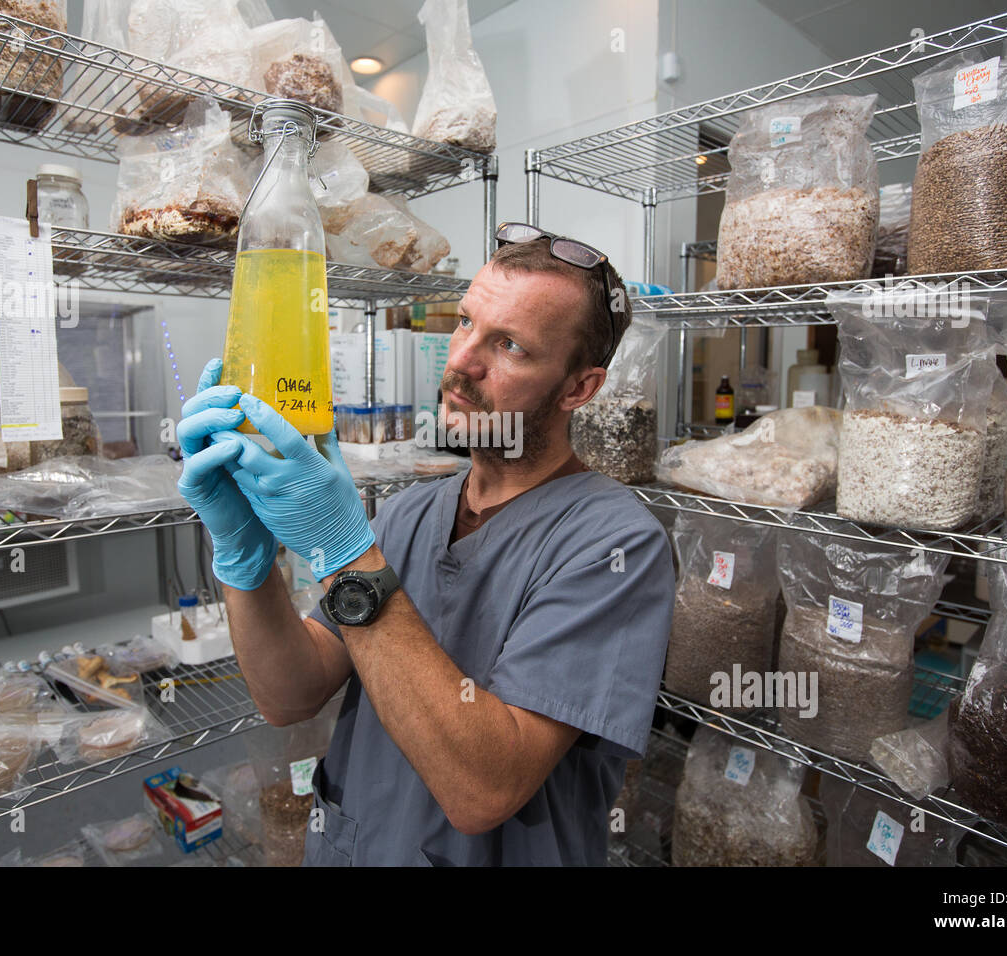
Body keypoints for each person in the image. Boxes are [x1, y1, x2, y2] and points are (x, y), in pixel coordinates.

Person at [176, 223, 674, 866]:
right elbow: (289, 695)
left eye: (510, 346)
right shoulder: (412, 513)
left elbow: (483, 789)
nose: (462, 361)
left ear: (580, 387)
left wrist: (347, 551)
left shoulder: (614, 544)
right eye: (465, 323)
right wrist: (244, 559)